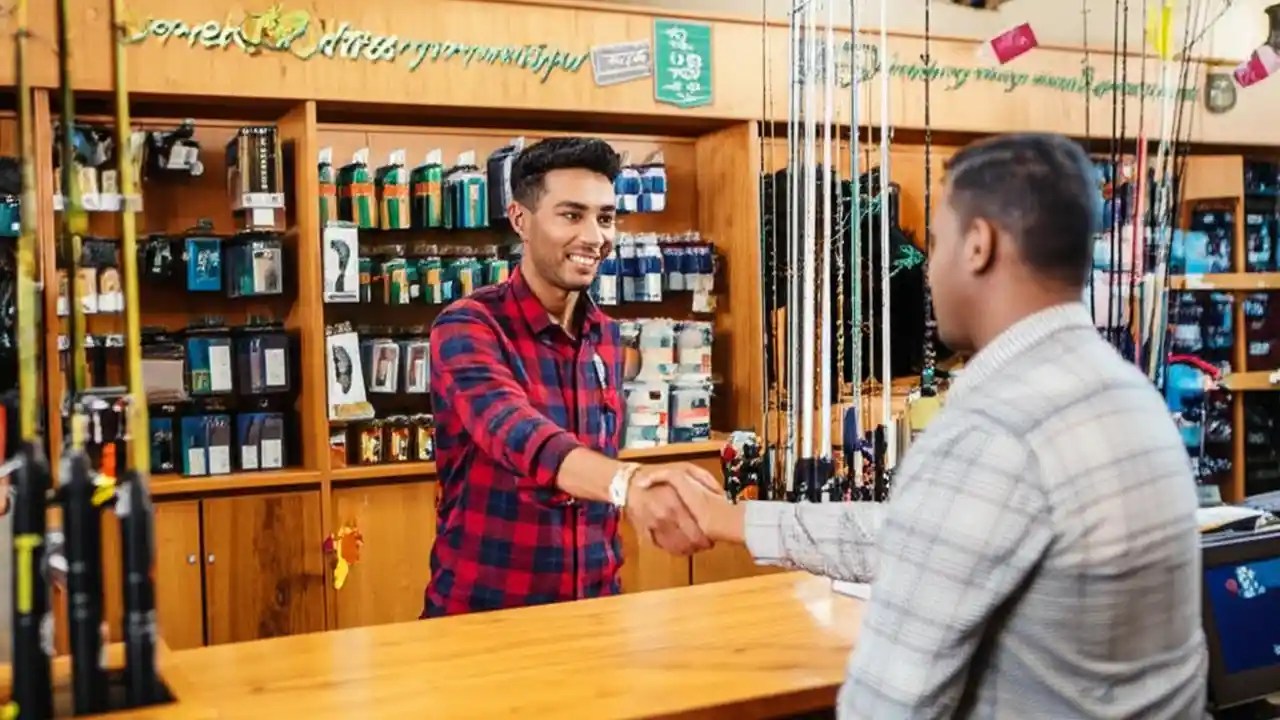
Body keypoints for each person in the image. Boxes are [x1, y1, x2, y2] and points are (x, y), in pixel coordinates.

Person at [674, 133, 1207, 718]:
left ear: (978, 245)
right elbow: (925, 537)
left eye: (935, 242)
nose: (927, 269)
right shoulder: (1128, 393)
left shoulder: (996, 428)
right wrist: (739, 519)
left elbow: (889, 703)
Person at [422, 137, 717, 618]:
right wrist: (629, 484)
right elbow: (518, 434)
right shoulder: (467, 326)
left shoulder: (605, 335)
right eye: (571, 215)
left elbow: (595, 475)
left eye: (604, 218)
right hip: (484, 620)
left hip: (594, 613)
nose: (594, 236)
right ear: (520, 219)